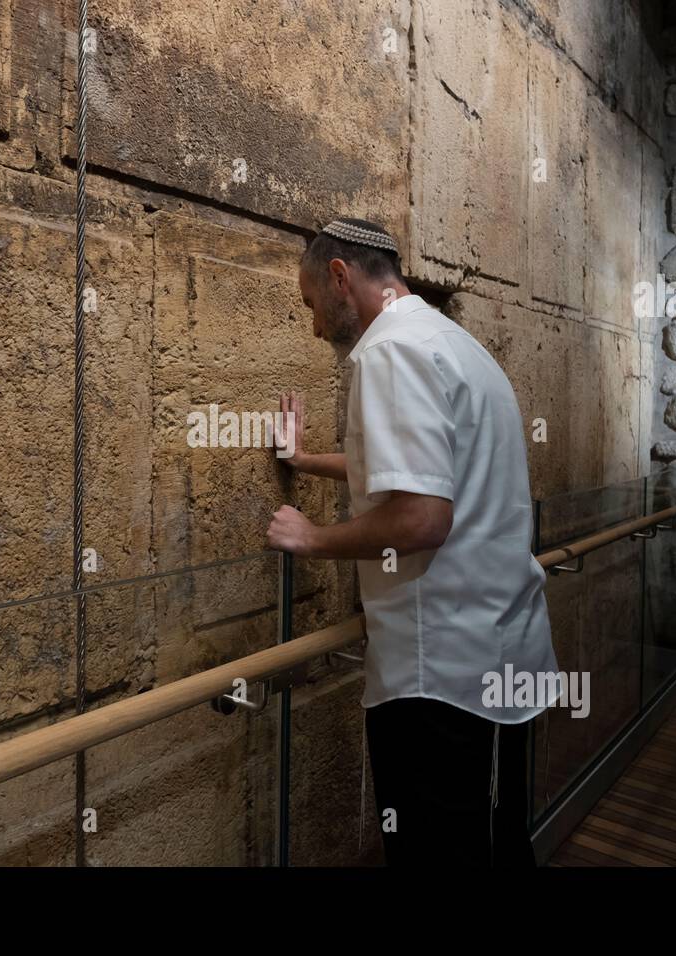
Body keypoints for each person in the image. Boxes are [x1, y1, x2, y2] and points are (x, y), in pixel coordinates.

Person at [265, 217, 558, 866]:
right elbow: (415, 466)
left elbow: (423, 516)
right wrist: (307, 459)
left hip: (440, 674)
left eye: (311, 305)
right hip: (500, 644)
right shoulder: (452, 343)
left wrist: (312, 537)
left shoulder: (387, 352)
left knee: (433, 854)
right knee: (500, 844)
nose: (313, 328)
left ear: (341, 278)